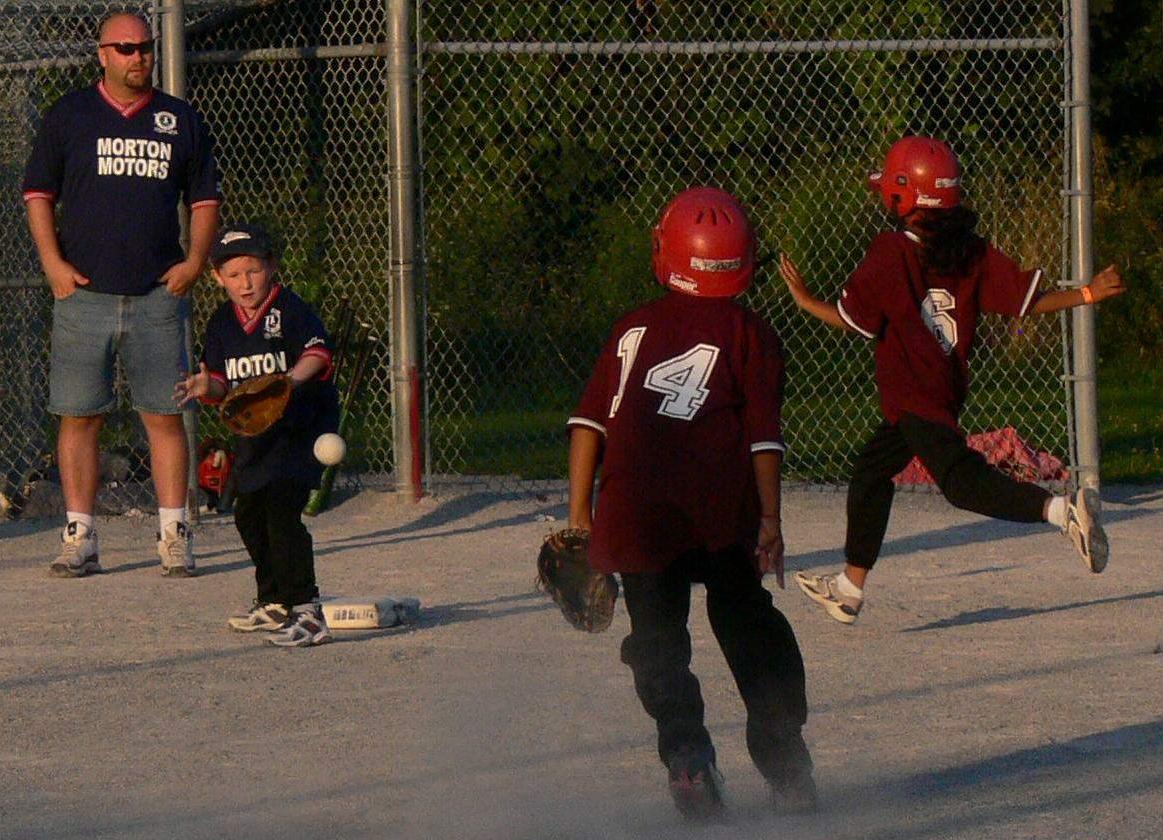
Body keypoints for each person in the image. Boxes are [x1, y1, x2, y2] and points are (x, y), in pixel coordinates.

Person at [779, 135, 1127, 625]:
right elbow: (1025, 300)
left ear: (903, 197)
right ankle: (848, 588)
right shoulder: (971, 251)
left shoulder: (889, 251)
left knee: (960, 483)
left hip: (915, 393)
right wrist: (1087, 294)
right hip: (939, 389)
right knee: (871, 473)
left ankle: (1060, 512)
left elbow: (854, 318)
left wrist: (806, 302)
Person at [566, 187, 816, 819]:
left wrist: (579, 519)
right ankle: (786, 766)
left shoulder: (631, 327)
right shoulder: (750, 332)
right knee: (752, 631)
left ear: (667, 252)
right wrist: (771, 520)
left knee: (656, 644)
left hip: (638, 515)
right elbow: (764, 438)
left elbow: (587, 426)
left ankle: (687, 758)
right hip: (719, 514)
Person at [22, 11, 221, 578]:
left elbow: (204, 199)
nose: (139, 58)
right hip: (83, 295)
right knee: (79, 416)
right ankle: (80, 535)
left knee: (164, 415)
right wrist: (53, 265)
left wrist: (193, 263)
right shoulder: (71, 115)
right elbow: (38, 192)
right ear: (102, 54)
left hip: (157, 295)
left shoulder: (178, 119)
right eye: (127, 48)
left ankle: (174, 532)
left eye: (146, 48)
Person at [175, 223, 340, 647]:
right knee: (249, 514)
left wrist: (288, 382)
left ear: (270, 267)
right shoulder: (221, 325)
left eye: (253, 270)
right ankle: (274, 602)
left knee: (282, 513)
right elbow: (220, 384)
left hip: (301, 429)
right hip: (255, 437)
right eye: (233, 274)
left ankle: (307, 610)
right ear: (217, 278)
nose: (244, 283)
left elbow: (317, 354)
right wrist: (203, 387)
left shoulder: (290, 309)